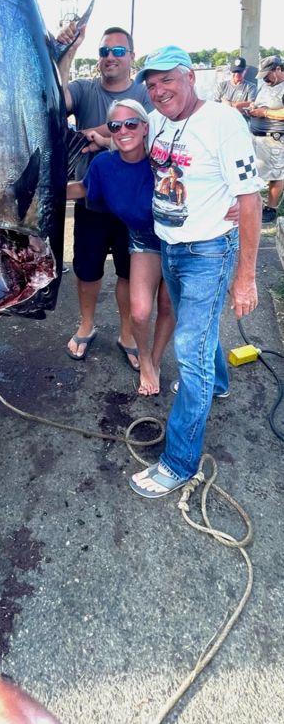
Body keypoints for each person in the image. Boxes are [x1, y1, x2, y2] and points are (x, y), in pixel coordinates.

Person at [128, 46, 261, 498]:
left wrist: (246, 276)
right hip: (170, 246)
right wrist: (101, 136)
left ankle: (180, 462)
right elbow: (133, 140)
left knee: (189, 348)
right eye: (151, 83)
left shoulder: (223, 121)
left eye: (167, 80)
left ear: (190, 76)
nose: (159, 90)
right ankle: (218, 382)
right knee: (199, 332)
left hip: (207, 251)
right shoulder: (157, 116)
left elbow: (250, 198)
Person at [56, 23, 151, 368]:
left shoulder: (144, 95)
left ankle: (127, 334)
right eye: (104, 52)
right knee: (87, 270)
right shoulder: (84, 89)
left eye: (118, 51)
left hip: (133, 208)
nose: (110, 57)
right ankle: (86, 324)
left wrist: (102, 136)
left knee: (128, 272)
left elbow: (151, 141)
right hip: (90, 200)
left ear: (131, 56)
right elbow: (54, 100)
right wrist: (68, 52)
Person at [68, 99, 174, 396]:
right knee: (142, 312)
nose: (123, 130)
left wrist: (234, 203)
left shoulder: (162, 160)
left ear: (145, 127)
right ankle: (142, 352)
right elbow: (85, 189)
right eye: (116, 126)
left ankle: (154, 360)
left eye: (131, 124)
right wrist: (40, 191)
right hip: (144, 239)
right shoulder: (103, 164)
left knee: (168, 305)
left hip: (179, 238)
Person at [245, 54, 284, 223]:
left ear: (278, 69)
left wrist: (265, 113)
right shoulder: (266, 86)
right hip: (256, 136)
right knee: (254, 172)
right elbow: (259, 102)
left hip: (274, 139)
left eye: (267, 74)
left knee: (276, 174)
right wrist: (253, 107)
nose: (265, 78)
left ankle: (271, 208)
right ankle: (255, 203)